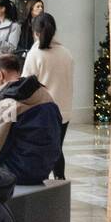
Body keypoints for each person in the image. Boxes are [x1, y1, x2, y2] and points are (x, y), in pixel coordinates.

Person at [0, 52, 62, 186]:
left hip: (18, 171)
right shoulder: (43, 92)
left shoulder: (8, 103)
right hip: (43, 168)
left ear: (0, 74)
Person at [21, 12, 74, 179]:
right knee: (57, 148)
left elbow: (25, 83)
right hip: (64, 109)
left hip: (42, 110)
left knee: (43, 150)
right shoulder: (66, 53)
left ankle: (43, 187)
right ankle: (60, 181)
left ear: (35, 32)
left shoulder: (35, 53)